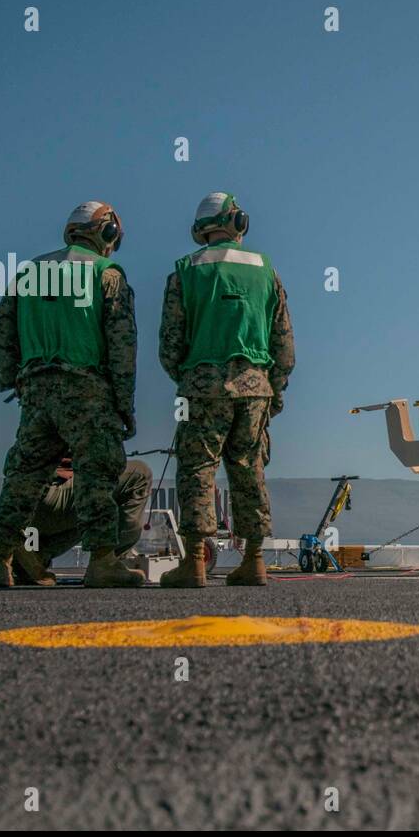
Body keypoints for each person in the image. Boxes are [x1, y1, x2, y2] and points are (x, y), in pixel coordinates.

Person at [0, 201, 144, 588]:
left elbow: (1, 331)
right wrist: (124, 405)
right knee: (98, 473)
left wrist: (16, 381)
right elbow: (123, 346)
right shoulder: (108, 275)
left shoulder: (29, 273)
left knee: (23, 475)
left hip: (37, 392)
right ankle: (103, 560)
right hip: (87, 390)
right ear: (105, 233)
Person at [157, 192, 294, 587]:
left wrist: (189, 378)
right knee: (249, 468)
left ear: (202, 229)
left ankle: (195, 563)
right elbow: (283, 343)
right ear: (238, 222)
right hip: (256, 388)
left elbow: (170, 343)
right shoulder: (266, 270)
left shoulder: (185, 270)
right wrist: (275, 389)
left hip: (201, 385)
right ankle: (254, 561)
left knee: (199, 468)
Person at [11, 458, 153, 585]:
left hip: (24, 508)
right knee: (139, 472)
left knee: (86, 512)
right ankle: (104, 563)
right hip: (52, 493)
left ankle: (31, 557)